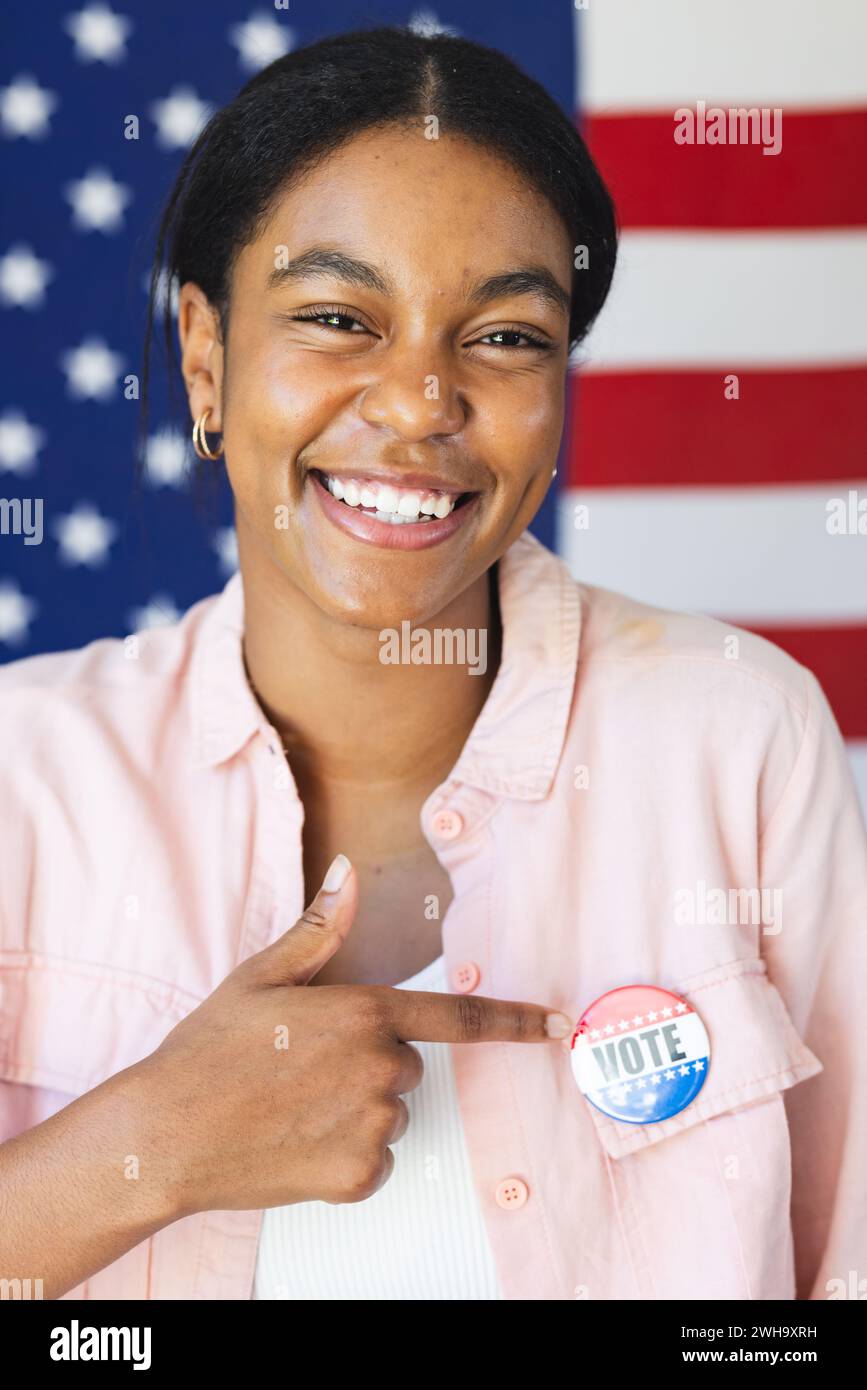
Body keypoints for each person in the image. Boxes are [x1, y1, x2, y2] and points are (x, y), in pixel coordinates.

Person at [1, 26, 865, 1303]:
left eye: (506, 337)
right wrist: (153, 1147)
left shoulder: (737, 735)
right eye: (339, 317)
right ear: (205, 358)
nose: (418, 403)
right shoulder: (25, 772)